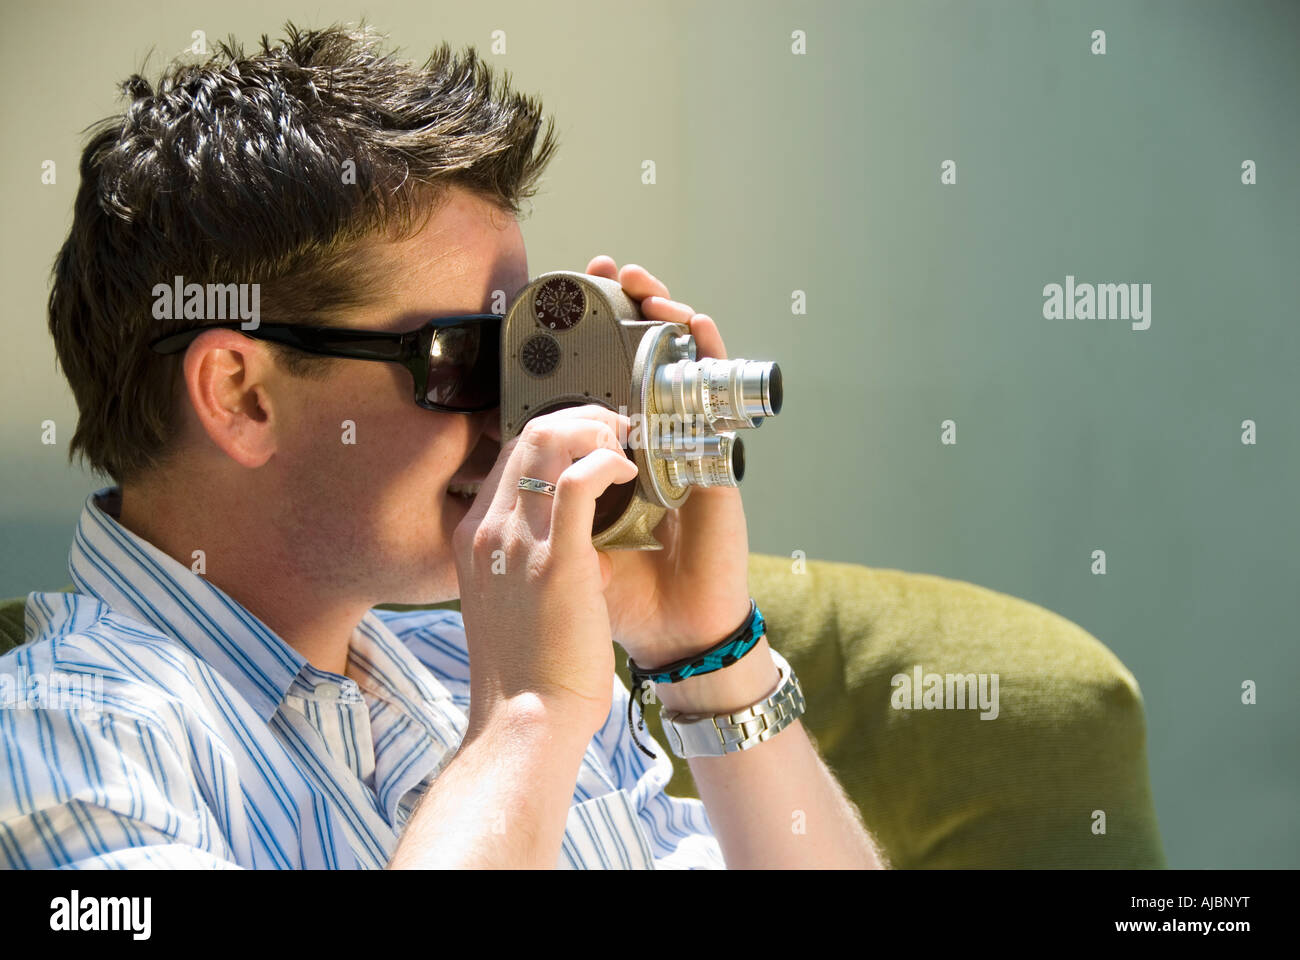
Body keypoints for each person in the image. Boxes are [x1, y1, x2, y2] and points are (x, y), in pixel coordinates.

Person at [0, 22, 881, 869]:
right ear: (243, 394)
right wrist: (525, 725)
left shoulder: (480, 663)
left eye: (527, 360)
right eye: (467, 359)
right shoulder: (68, 738)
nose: (520, 425)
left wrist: (705, 653)